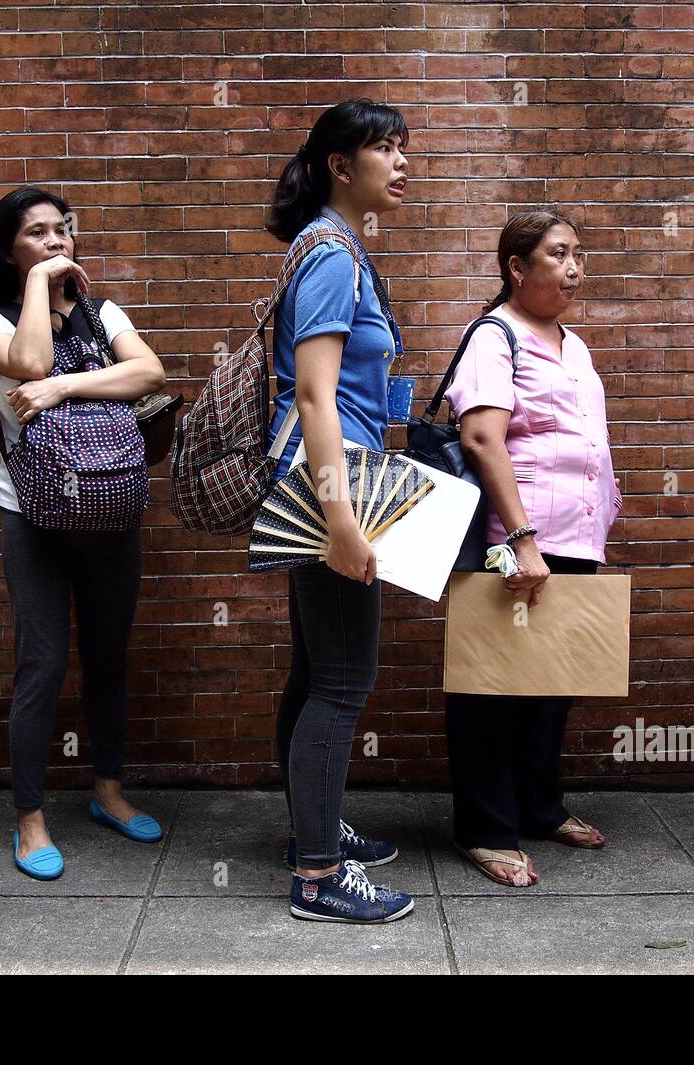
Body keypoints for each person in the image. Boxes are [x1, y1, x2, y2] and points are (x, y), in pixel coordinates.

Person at [0, 188, 167, 881]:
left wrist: (65, 389)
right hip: (34, 512)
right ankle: (29, 818)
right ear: (8, 249)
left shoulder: (104, 312)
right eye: (37, 234)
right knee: (41, 665)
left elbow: (150, 371)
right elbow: (25, 363)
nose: (55, 242)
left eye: (62, 232)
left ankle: (107, 790)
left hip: (109, 506)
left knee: (108, 655)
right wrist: (36, 289)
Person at [265, 98, 415, 923]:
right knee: (345, 680)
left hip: (331, 482)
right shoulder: (330, 252)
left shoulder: (339, 246)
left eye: (402, 148)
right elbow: (316, 395)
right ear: (338, 164)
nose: (400, 162)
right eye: (382, 148)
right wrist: (343, 518)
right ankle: (319, 876)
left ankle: (307, 832)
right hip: (329, 489)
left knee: (316, 670)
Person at [443, 211, 623, 887]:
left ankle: (540, 806)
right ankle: (485, 827)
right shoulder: (493, 336)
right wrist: (520, 539)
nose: (574, 266)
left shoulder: (571, 341)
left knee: (553, 681)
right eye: (558, 254)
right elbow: (484, 438)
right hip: (514, 539)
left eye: (578, 254)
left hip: (576, 537)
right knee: (492, 684)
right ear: (518, 267)